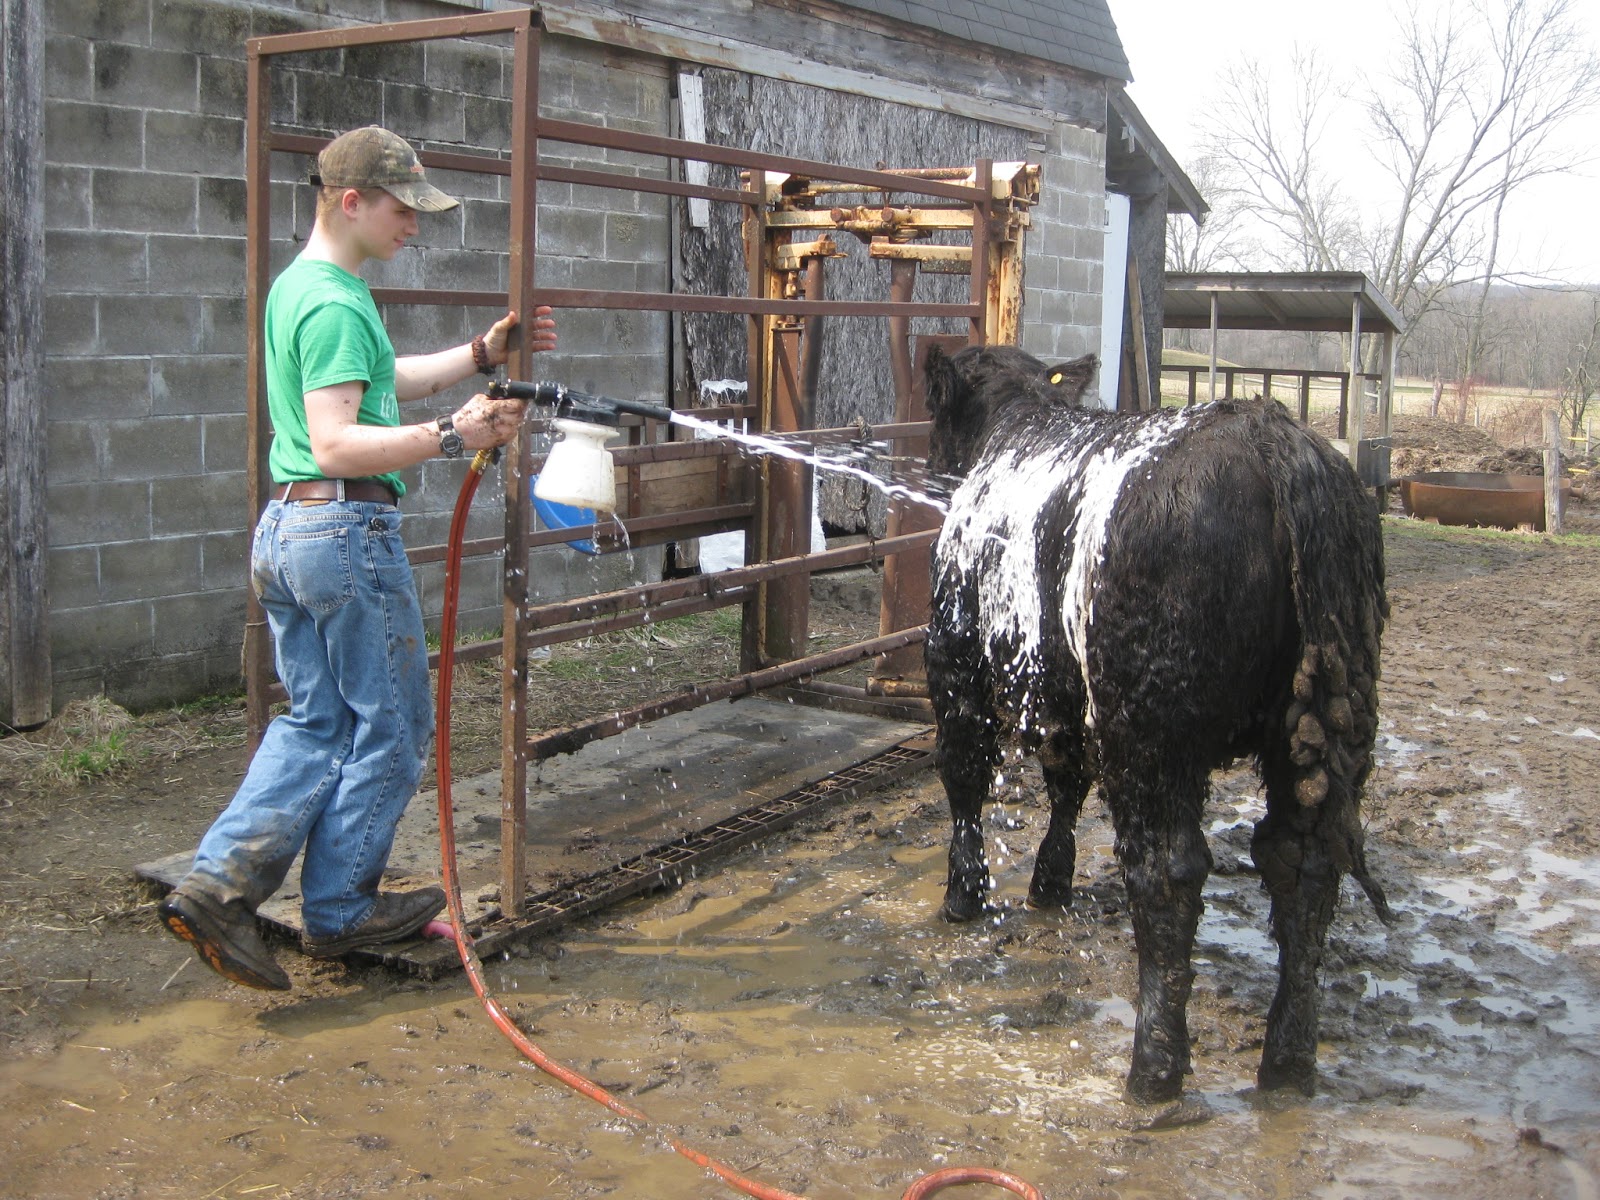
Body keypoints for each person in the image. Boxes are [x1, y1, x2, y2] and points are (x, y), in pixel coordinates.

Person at [160, 126, 558, 991]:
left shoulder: (304, 288)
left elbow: (381, 381)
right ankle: (340, 906)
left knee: (317, 722)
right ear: (351, 201)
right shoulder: (338, 304)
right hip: (345, 531)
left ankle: (219, 887)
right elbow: (338, 442)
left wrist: (480, 357)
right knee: (396, 723)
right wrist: (455, 434)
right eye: (401, 208)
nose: (413, 225)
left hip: (290, 530)